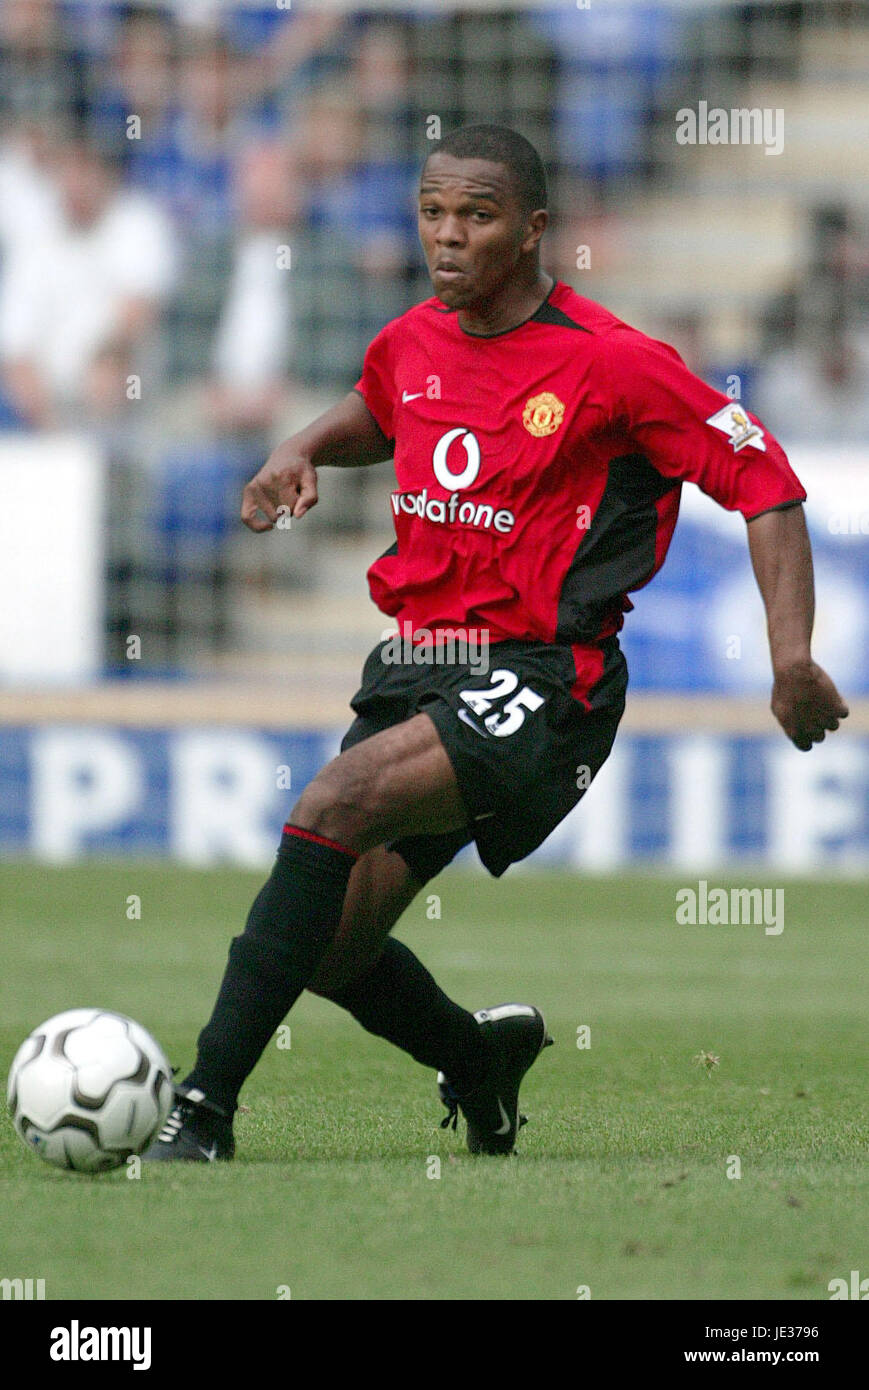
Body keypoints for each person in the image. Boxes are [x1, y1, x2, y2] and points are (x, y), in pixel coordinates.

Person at [144, 125, 848, 1164]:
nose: (446, 236)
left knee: (330, 804)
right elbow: (379, 406)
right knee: (334, 943)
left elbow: (765, 483)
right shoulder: (413, 339)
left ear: (531, 230)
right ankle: (475, 1057)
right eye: (432, 212)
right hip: (418, 665)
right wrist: (299, 447)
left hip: (548, 675)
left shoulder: (613, 364)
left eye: (474, 216)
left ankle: (200, 1108)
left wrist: (788, 656)